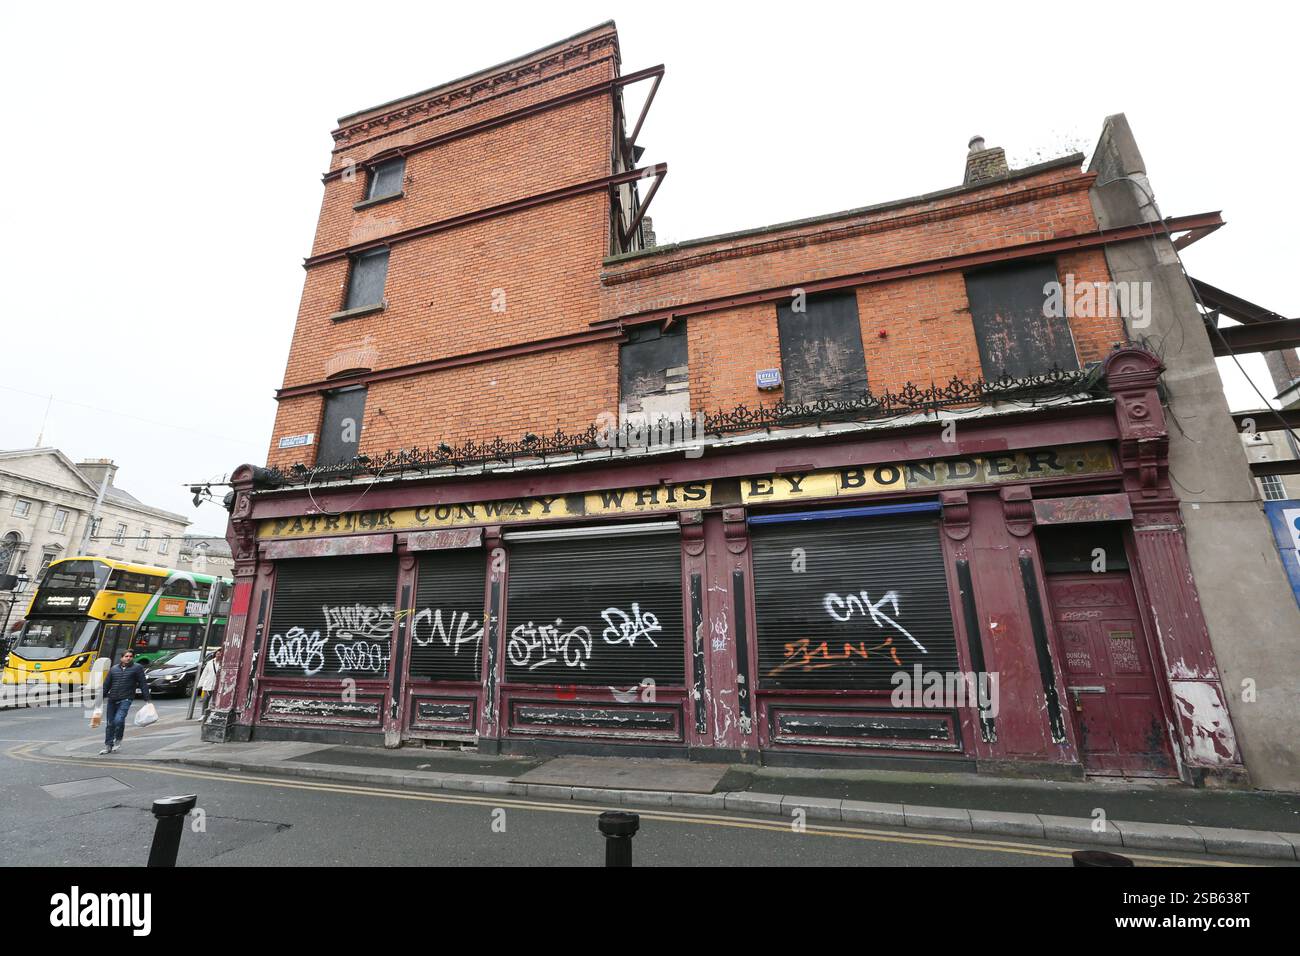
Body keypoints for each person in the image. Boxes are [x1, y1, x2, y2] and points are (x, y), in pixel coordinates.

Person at [99, 649, 150, 754]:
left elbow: (143, 683)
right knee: (110, 723)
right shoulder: (113, 669)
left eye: (130, 656)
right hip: (112, 699)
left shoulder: (137, 668)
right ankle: (108, 745)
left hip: (126, 698)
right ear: (121, 658)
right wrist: (100, 698)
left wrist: (147, 699)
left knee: (118, 720)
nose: (128, 658)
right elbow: (106, 685)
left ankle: (118, 740)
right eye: (126, 656)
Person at [197, 647, 222, 716]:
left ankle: (212, 714)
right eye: (217, 654)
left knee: (215, 701)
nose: (218, 655)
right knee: (205, 700)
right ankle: (203, 715)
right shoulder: (210, 663)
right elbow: (205, 673)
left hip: (217, 685)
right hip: (208, 684)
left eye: (220, 654)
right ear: (215, 654)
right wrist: (200, 684)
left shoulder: (222, 664)